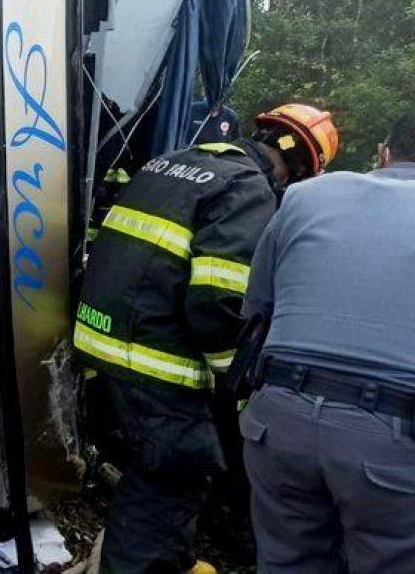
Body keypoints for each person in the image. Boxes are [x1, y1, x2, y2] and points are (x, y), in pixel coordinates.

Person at [74, 103, 339, 574]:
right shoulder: (249, 190)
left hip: (104, 341)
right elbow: (218, 300)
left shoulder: (176, 162)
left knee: (156, 464)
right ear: (299, 170)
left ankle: (175, 559)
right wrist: (239, 381)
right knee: (171, 476)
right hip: (153, 358)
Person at [239, 109, 415, 574]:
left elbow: (258, 307)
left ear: (381, 153)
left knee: (287, 563)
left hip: (278, 422)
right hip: (390, 440)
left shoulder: (304, 196)